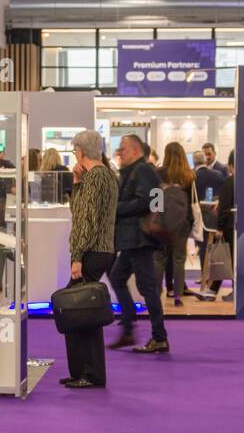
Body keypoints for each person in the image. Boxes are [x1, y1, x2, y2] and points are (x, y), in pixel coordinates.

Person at [61, 130, 117, 389]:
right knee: (83, 311)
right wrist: (77, 183)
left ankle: (89, 373)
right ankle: (85, 372)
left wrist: (77, 256)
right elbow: (81, 210)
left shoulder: (96, 177)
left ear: (80, 152)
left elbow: (87, 220)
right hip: (100, 250)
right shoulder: (103, 175)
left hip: (91, 252)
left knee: (78, 312)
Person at [107, 134, 169, 354]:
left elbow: (149, 201)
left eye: (122, 149)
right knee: (117, 277)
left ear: (135, 151)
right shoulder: (138, 171)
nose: (119, 153)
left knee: (147, 287)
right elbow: (154, 200)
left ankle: (159, 337)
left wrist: (116, 209)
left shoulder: (143, 170)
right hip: (134, 238)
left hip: (140, 239)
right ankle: (128, 326)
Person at [157, 142, 196, 307]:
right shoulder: (189, 176)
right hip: (183, 221)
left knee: (161, 258)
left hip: (163, 221)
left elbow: (155, 200)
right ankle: (178, 296)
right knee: (179, 258)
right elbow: (193, 201)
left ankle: (158, 292)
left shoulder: (158, 173)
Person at [214, 150, 236, 299]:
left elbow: (223, 207)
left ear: (230, 166)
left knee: (230, 259)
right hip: (239, 225)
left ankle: (215, 289)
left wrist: (219, 227)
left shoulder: (230, 181)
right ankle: (214, 288)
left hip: (229, 226)